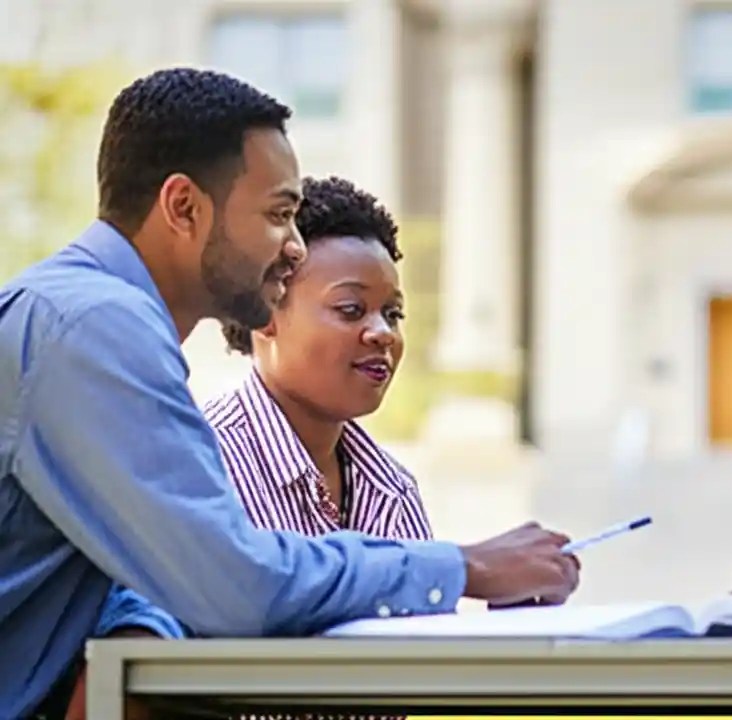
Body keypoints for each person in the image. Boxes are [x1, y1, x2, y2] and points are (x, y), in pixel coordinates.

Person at [0, 68, 579, 720]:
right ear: (183, 208)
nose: (294, 246)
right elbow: (231, 585)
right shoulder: (94, 326)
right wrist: (461, 568)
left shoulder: (82, 316)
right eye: (278, 215)